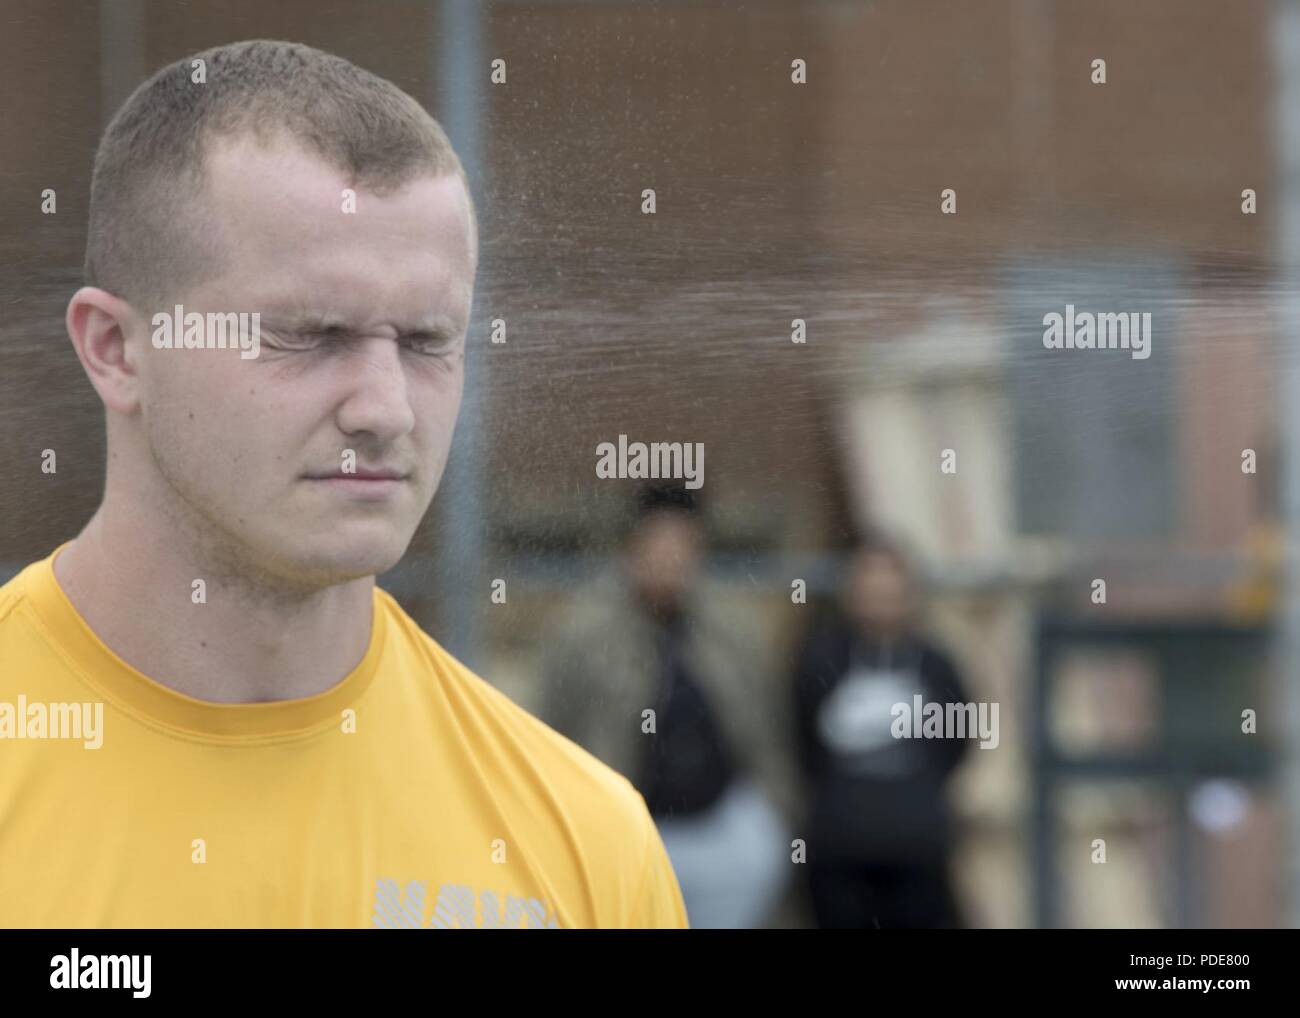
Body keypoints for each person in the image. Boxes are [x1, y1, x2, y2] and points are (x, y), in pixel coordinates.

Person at [0, 40, 686, 929]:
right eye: (312, 333)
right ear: (116, 350)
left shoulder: (588, 844)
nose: (386, 409)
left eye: (429, 340)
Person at [539, 484, 796, 928]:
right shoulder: (583, 632)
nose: (669, 560)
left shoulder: (732, 627)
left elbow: (768, 730)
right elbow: (546, 727)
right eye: (657, 544)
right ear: (630, 551)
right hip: (627, 839)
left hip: (723, 835)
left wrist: (774, 813)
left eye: (683, 546)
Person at [791, 532, 970, 929]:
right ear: (849, 593)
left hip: (917, 851)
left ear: (909, 595)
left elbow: (957, 743)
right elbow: (801, 741)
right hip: (840, 850)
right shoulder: (820, 658)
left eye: (890, 590)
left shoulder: (936, 665)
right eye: (869, 588)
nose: (879, 600)